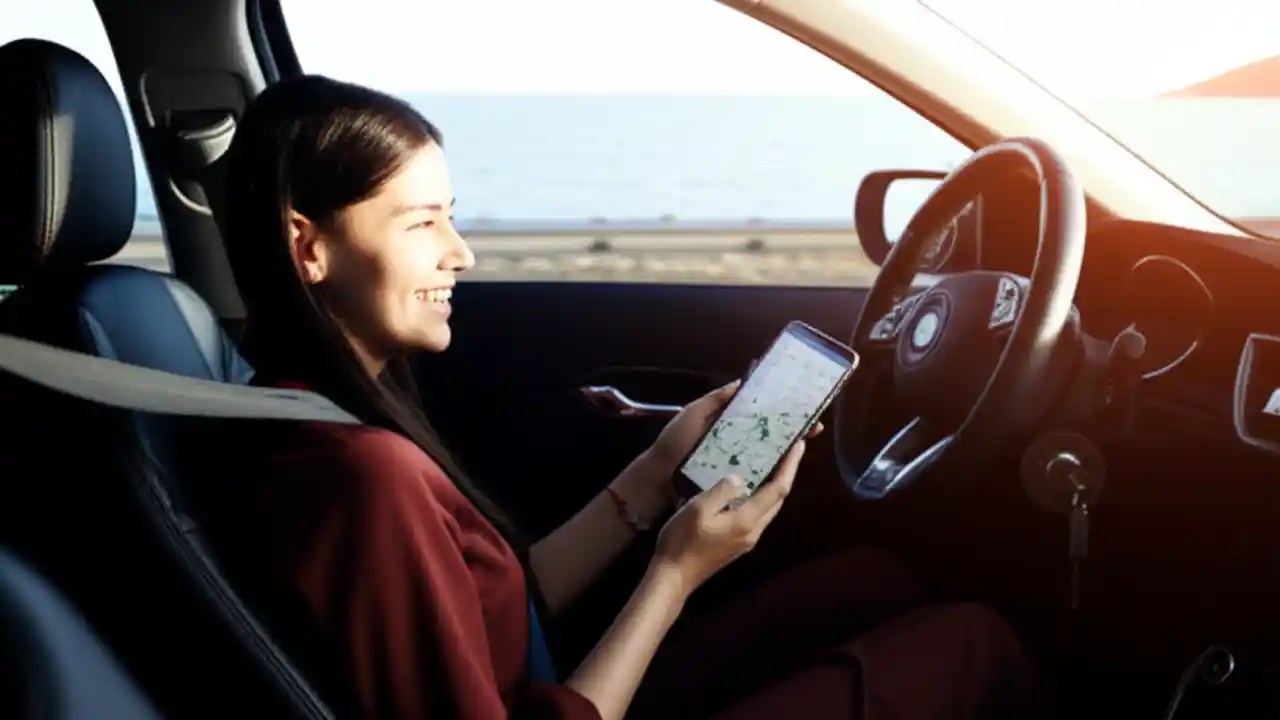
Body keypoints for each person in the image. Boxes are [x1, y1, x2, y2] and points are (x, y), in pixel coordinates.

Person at [209, 74, 1036, 720]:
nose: (459, 254)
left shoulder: (326, 418)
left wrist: (653, 471)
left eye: (451, 219)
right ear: (308, 246)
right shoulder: (360, 477)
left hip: (544, 690)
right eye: (422, 223)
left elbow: (500, 609)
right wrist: (676, 573)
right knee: (975, 646)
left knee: (875, 580)